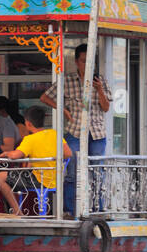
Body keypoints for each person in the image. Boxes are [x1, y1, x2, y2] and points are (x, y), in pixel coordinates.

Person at [39, 43, 110, 217]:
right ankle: (70, 211)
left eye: (90, 62)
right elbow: (44, 97)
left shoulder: (101, 81)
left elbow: (106, 107)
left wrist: (99, 89)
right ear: (77, 62)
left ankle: (98, 210)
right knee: (71, 173)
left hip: (97, 133)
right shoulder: (67, 81)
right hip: (75, 132)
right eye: (84, 61)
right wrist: (62, 108)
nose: (87, 65)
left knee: (97, 172)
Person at [0, 106, 73, 215]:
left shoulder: (30, 139)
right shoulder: (54, 133)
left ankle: (18, 213)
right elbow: (68, 153)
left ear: (28, 123)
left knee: (0, 177)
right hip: (55, 179)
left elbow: (15, 156)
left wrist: (7, 153)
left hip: (38, 181)